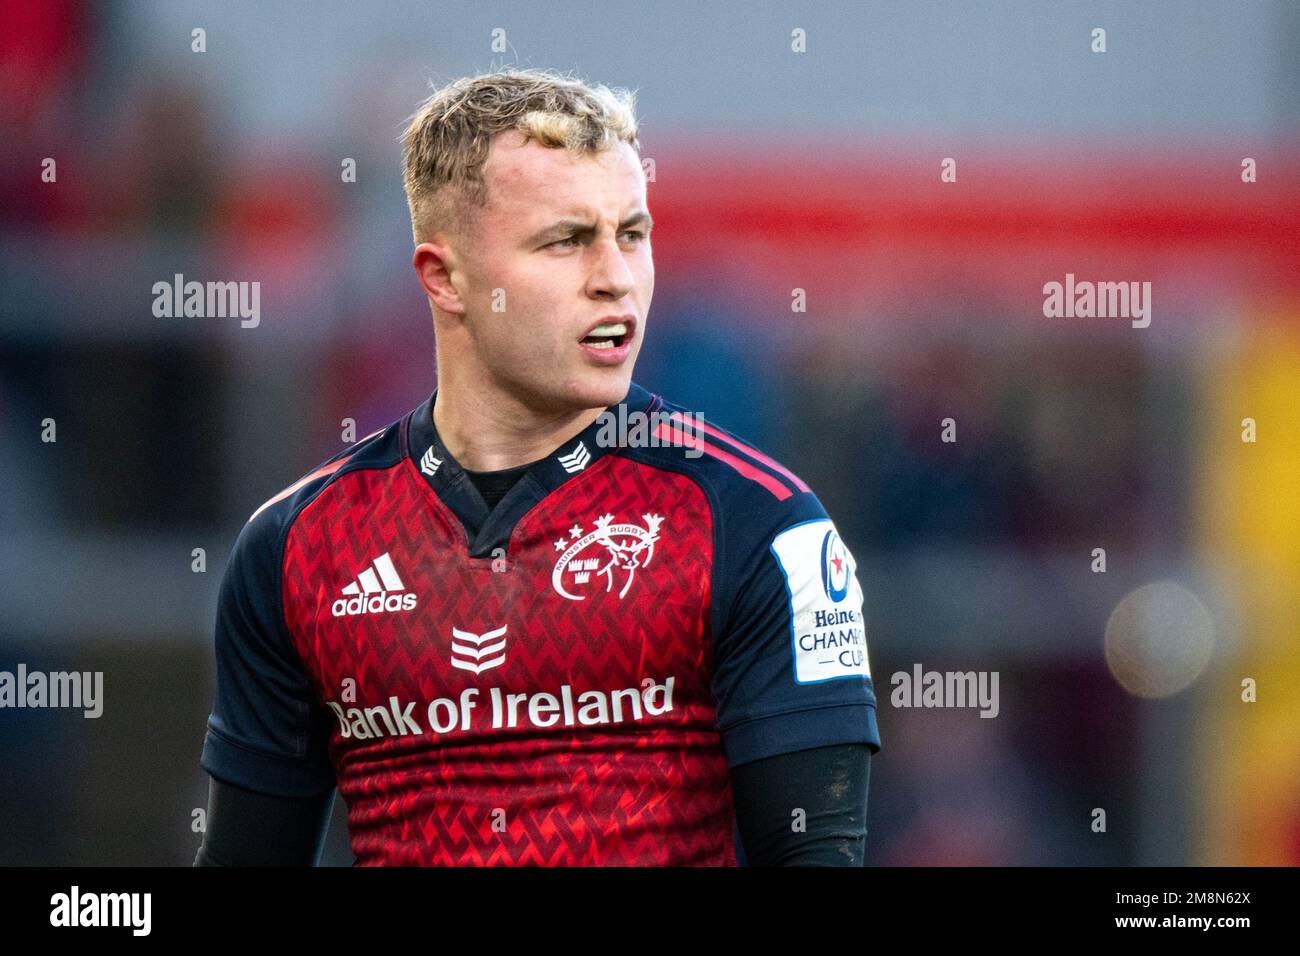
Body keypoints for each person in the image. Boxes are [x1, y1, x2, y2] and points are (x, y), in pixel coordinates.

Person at [195, 68, 880, 866]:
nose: (615, 277)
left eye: (631, 234)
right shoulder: (296, 547)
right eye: (566, 240)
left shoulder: (761, 527)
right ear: (444, 278)